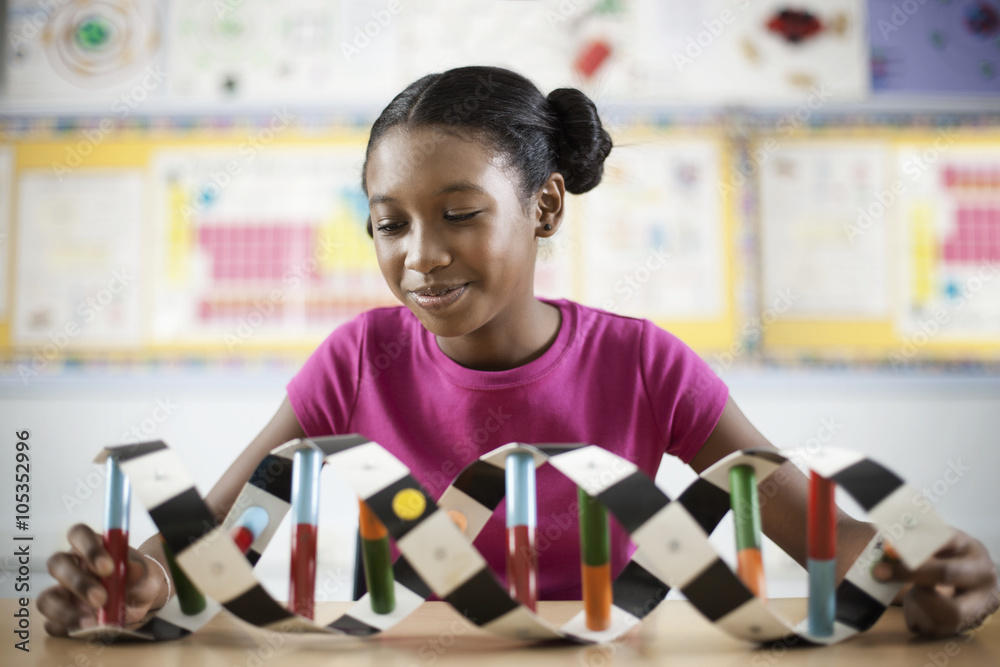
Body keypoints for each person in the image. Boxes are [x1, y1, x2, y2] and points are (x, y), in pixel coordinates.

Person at [40, 65, 998, 640]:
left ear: (543, 206)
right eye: (388, 224)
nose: (421, 255)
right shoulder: (356, 360)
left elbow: (820, 538)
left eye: (460, 215)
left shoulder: (645, 365)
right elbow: (208, 540)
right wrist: (139, 582)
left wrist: (929, 578)